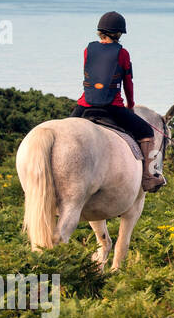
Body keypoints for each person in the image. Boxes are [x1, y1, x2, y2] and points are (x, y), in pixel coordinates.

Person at [71, 11, 165, 192]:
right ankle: (148, 177)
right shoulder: (122, 53)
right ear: (119, 33)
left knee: (67, 128)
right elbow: (128, 83)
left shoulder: (88, 50)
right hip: (111, 107)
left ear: (100, 31)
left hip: (85, 104)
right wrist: (130, 105)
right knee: (146, 132)